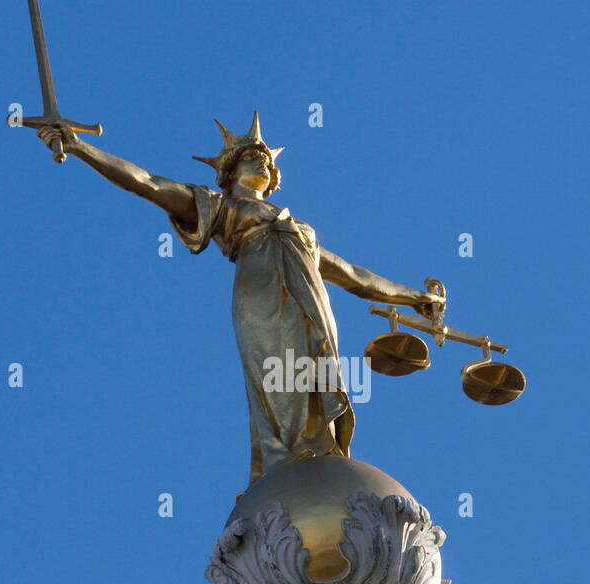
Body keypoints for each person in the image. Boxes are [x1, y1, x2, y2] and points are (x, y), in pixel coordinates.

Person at [36, 112, 443, 484]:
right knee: (278, 381)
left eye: (266, 159)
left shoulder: (300, 228)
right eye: (251, 157)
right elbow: (146, 183)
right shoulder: (222, 208)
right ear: (230, 172)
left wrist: (412, 298)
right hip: (262, 302)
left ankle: (320, 451)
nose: (262, 162)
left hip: (313, 306)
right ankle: (286, 462)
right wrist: (79, 146)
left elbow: (354, 276)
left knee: (316, 375)